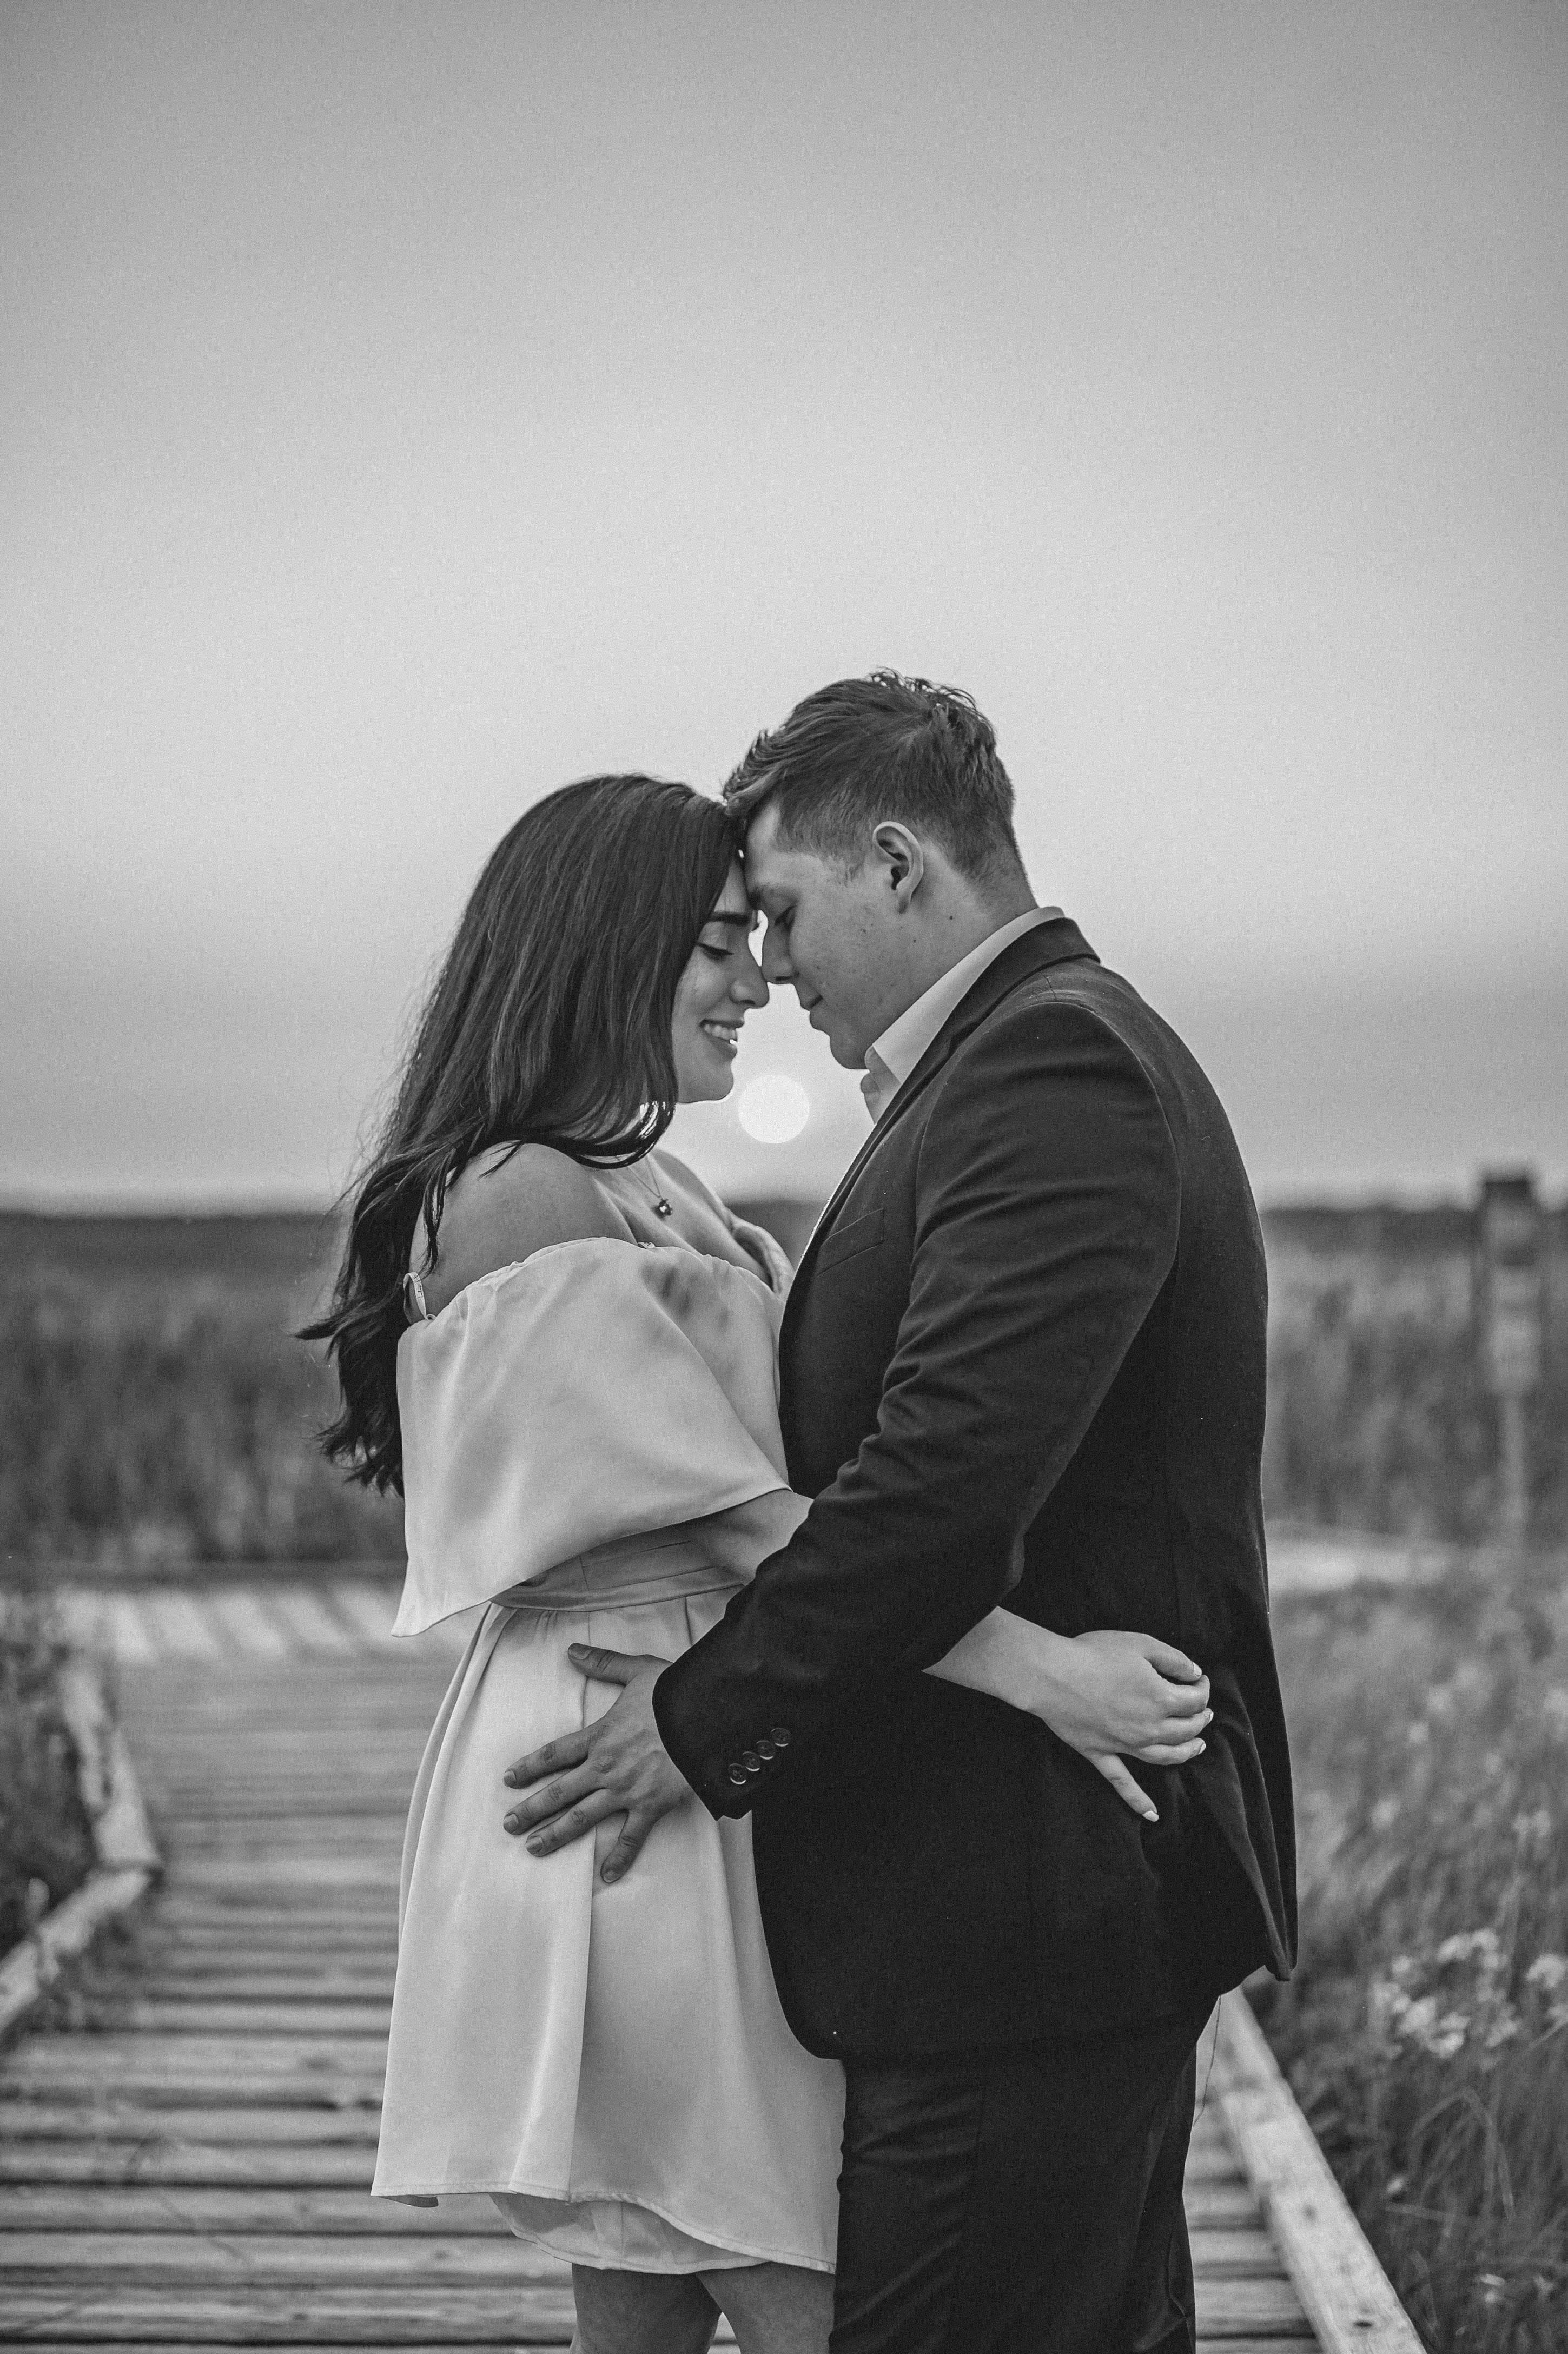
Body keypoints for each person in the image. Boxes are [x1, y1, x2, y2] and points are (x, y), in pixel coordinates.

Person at [307, 769, 1218, 2354]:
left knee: (655, 2261)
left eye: (761, 932)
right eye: (721, 943)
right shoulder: (521, 1187)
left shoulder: (642, 1176)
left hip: (691, 1742)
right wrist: (1036, 1669)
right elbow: (733, 1508)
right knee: (799, 2272)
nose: (759, 981)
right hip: (624, 1763)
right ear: (606, 947)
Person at [502, 679, 1298, 2354]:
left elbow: (938, 1493)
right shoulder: (1004, 1066)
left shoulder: (1053, 1063)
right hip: (1017, 1906)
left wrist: (693, 1723)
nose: (769, 965)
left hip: (1024, 1908)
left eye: (779, 912)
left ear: (893, 864)